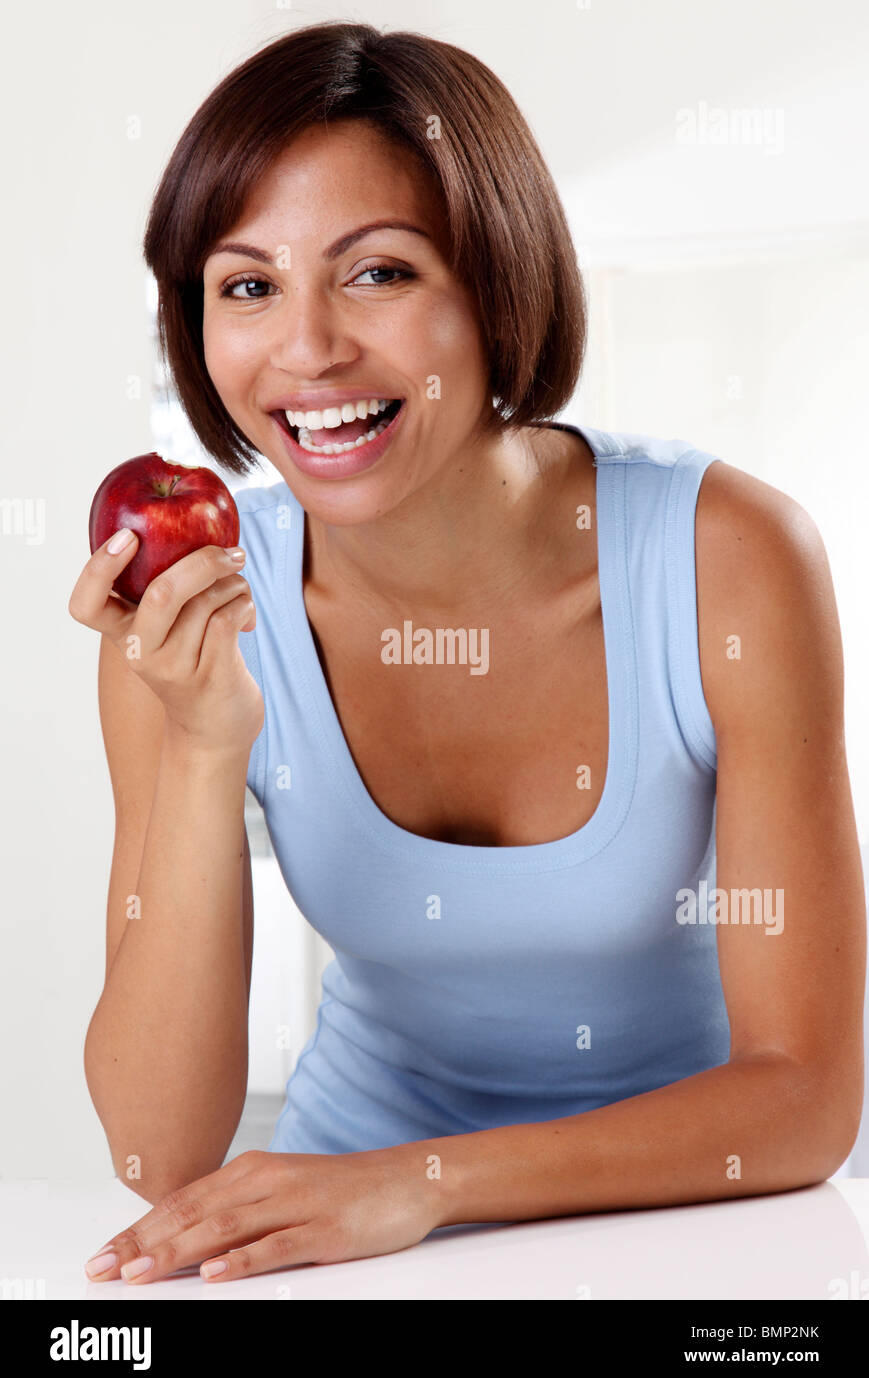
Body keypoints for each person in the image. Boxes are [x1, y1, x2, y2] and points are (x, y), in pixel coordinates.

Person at [69, 22, 865, 1285]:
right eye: (246, 284)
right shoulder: (192, 609)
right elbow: (157, 1155)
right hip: (345, 1244)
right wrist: (208, 741)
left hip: (685, 1222)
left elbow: (805, 1097)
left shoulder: (731, 556)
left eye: (377, 274)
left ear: (496, 279)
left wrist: (426, 1181)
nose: (309, 348)